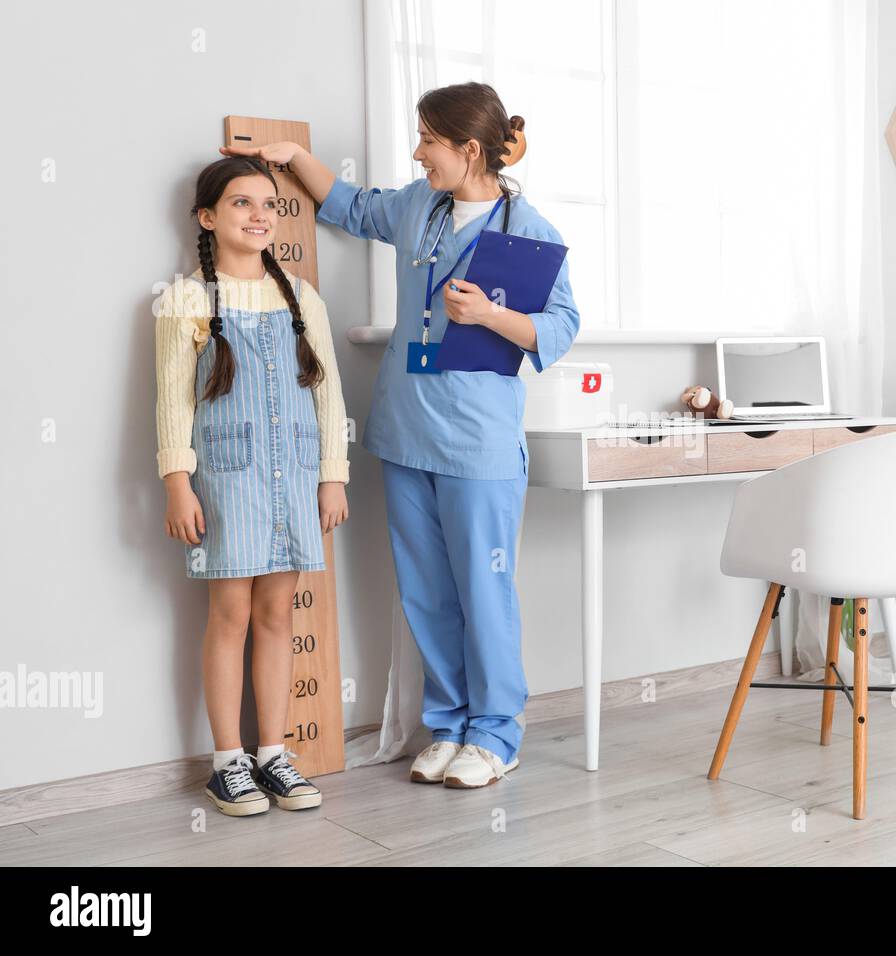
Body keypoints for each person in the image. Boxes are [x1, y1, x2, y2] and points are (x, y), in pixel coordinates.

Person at [223, 81, 579, 788]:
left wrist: (488, 317)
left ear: (469, 148)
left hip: (477, 443)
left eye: (427, 140)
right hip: (406, 432)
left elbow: (561, 328)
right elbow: (354, 206)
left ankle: (496, 734)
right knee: (425, 592)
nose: (418, 154)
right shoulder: (423, 206)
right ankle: (447, 725)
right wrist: (296, 157)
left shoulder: (529, 230)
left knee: (485, 592)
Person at [155, 156, 350, 815]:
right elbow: (173, 401)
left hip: (294, 478)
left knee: (276, 615)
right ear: (209, 218)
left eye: (269, 203)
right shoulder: (184, 299)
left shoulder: (301, 295)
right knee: (229, 616)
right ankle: (226, 762)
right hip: (226, 480)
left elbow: (327, 395)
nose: (260, 214)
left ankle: (273, 755)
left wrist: (332, 477)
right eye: (242, 203)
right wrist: (177, 482)